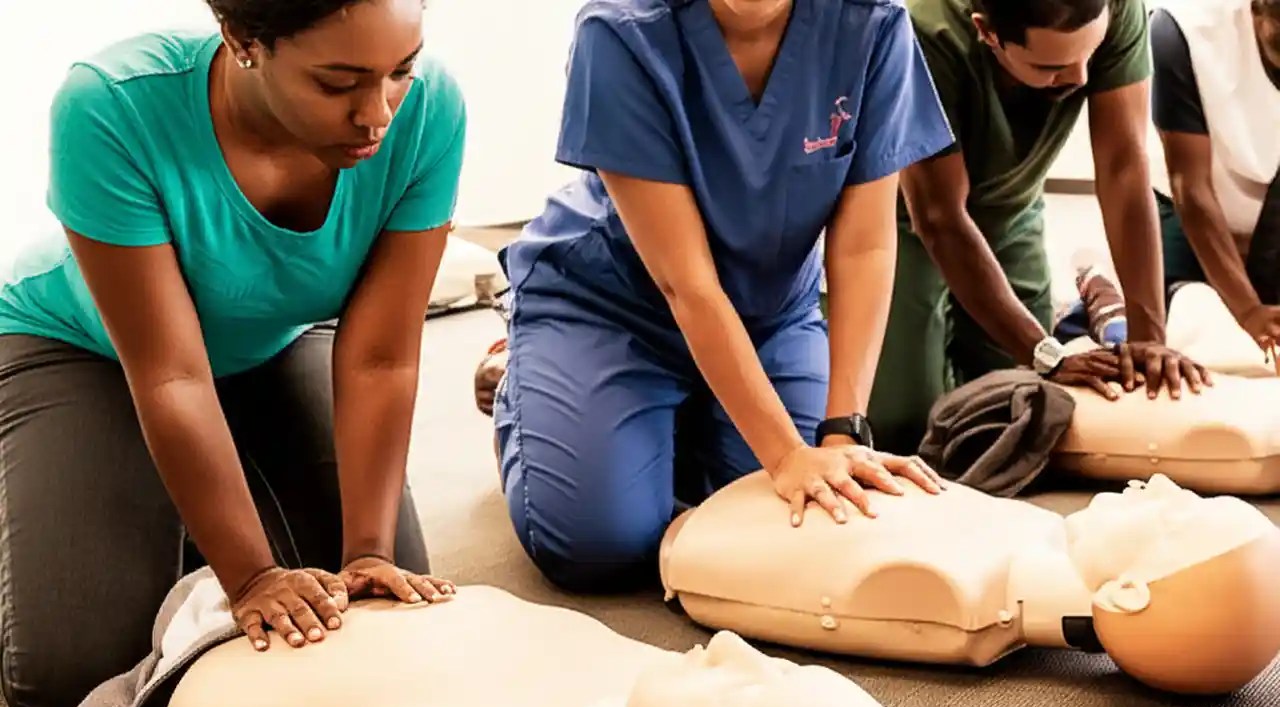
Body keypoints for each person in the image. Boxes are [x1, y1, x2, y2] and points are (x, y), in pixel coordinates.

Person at [0, 0, 465, 707]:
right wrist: (249, 579)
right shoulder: (109, 103)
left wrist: (369, 549)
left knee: (375, 609)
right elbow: (170, 374)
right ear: (242, 39)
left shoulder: (430, 109)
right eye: (339, 84)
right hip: (79, 348)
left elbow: (379, 357)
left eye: (399, 71)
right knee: (72, 675)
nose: (378, 113)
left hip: (274, 337)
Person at [485, 0, 954, 594]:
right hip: (612, 307)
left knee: (807, 520)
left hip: (770, 315)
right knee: (600, 545)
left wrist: (842, 430)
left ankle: (670, 425)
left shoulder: (871, 25)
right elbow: (687, 283)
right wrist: (785, 456)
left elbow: (863, 247)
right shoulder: (621, 33)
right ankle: (522, 382)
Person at [869, 0, 1209, 454]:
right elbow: (939, 217)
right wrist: (1042, 350)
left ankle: (1087, 299)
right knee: (902, 426)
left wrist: (1149, 341)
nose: (1082, 78)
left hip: (1012, 210)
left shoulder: (1116, 9)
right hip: (904, 221)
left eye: (1091, 55)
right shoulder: (924, 32)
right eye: (1053, 66)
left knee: (1019, 408)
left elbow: (1124, 167)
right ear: (987, 33)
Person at [1148, 0, 1280, 354]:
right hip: (1189, 208)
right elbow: (1190, 188)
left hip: (1272, 208)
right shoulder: (1181, 31)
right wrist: (1249, 311)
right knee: (1190, 327)